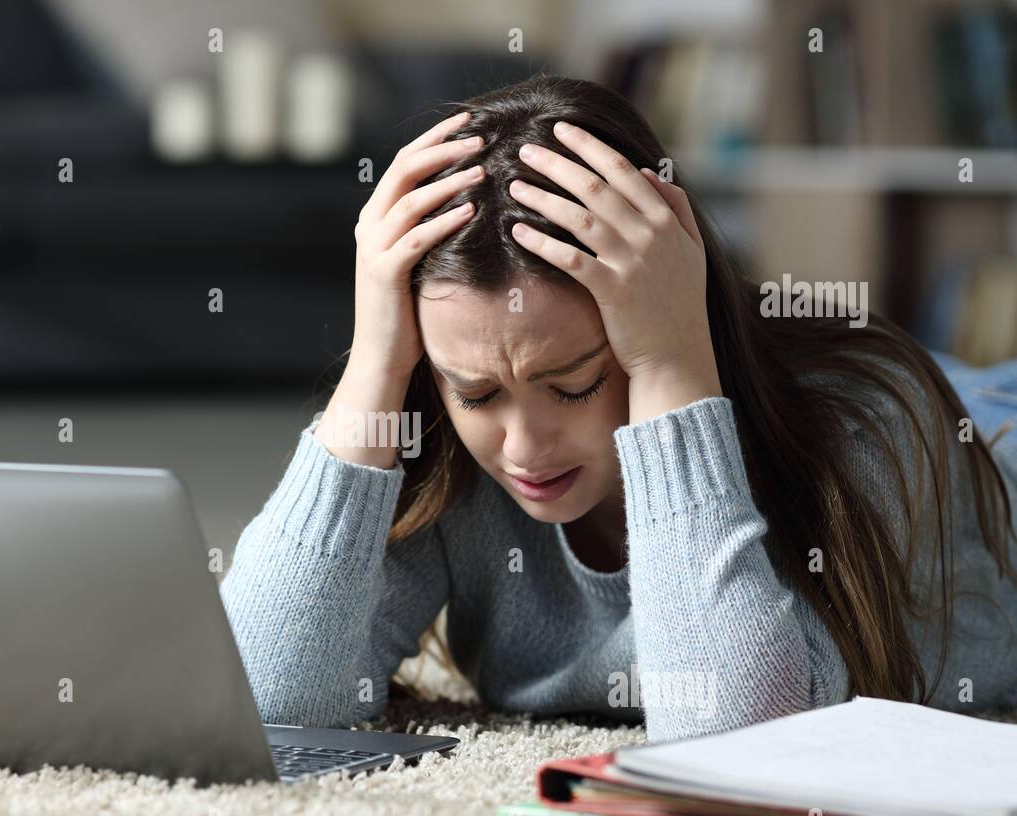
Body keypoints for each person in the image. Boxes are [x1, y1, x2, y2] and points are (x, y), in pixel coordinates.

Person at [220, 74, 1017, 743]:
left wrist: (671, 363)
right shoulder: (444, 443)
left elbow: (734, 740)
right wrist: (375, 362)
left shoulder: (864, 422)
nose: (524, 448)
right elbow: (264, 696)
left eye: (572, 385)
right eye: (477, 392)